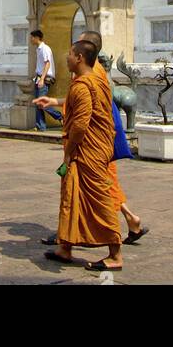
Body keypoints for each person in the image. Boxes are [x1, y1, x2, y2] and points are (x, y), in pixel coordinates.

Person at [33, 30, 147, 245]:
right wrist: (55, 102)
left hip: (93, 141)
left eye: (74, 49)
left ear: (83, 51)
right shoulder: (91, 74)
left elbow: (83, 115)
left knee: (100, 187)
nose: (69, 54)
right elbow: (81, 101)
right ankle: (125, 221)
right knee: (100, 183)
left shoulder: (91, 74)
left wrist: (70, 150)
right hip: (100, 139)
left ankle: (111, 244)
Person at [43, 41, 123, 272]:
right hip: (92, 148)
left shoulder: (84, 85)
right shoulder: (97, 80)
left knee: (99, 199)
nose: (66, 57)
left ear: (79, 58)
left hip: (87, 151)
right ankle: (65, 247)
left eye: (69, 54)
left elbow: (80, 124)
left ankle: (116, 254)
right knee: (71, 195)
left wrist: (68, 153)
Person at [31, 29, 55, 132]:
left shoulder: (45, 49)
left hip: (44, 79)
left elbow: (47, 63)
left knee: (41, 102)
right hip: (39, 78)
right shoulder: (39, 49)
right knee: (38, 103)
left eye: (32, 37)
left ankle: (59, 116)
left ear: (37, 37)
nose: (31, 40)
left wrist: (42, 79)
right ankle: (41, 126)